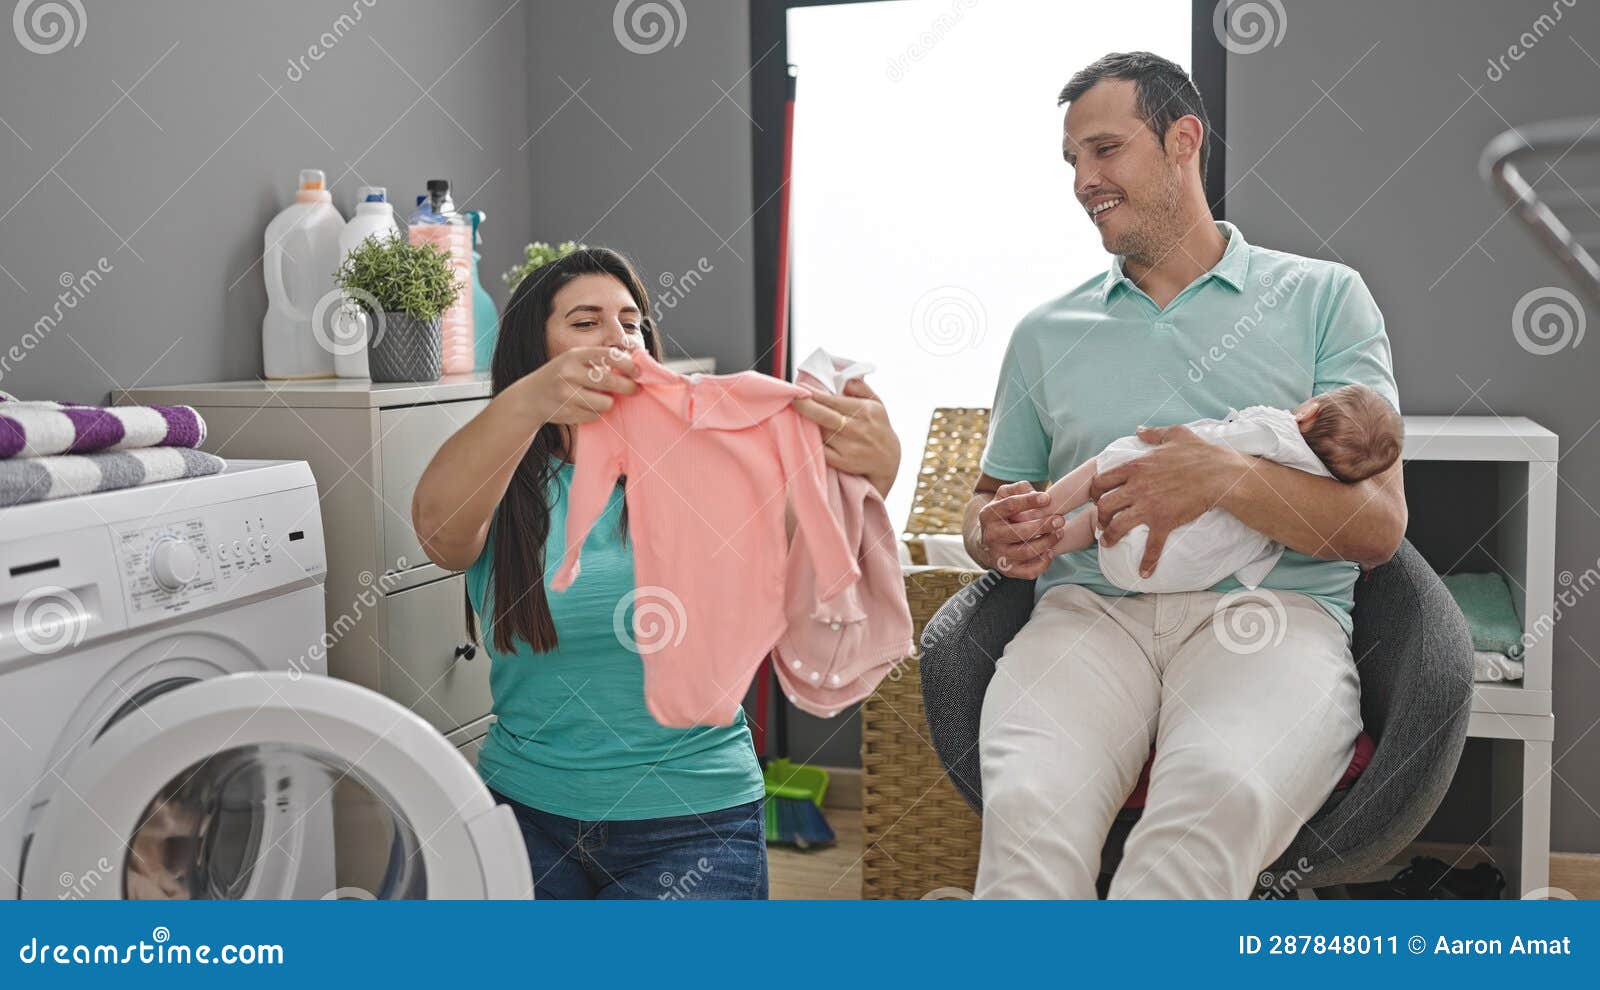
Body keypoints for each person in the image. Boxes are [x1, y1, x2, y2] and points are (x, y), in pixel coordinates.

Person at [964, 52, 1405, 899]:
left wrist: (1222, 477)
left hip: (1269, 621)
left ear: (1182, 140)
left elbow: (1379, 529)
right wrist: (992, 535)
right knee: (1027, 815)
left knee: (1207, 814)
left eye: (1104, 150)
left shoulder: (1325, 298)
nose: (1084, 181)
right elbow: (983, 511)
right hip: (1088, 617)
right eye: (1072, 162)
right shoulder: (1043, 333)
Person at [411, 247, 900, 899]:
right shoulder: (506, 481)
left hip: (694, 824)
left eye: (631, 322)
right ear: (535, 354)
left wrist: (880, 468)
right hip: (523, 818)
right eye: (585, 323)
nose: (616, 337)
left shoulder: (712, 467)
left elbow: (820, 541)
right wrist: (529, 402)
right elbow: (440, 534)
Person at [1040, 383, 1404, 593]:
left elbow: (1210, 442)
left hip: (1135, 550)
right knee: (1109, 516)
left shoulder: (1278, 430)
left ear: (1308, 413)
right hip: (1177, 575)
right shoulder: (1319, 490)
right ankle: (1054, 534)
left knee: (1120, 460)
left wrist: (1174, 447)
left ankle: (1042, 513)